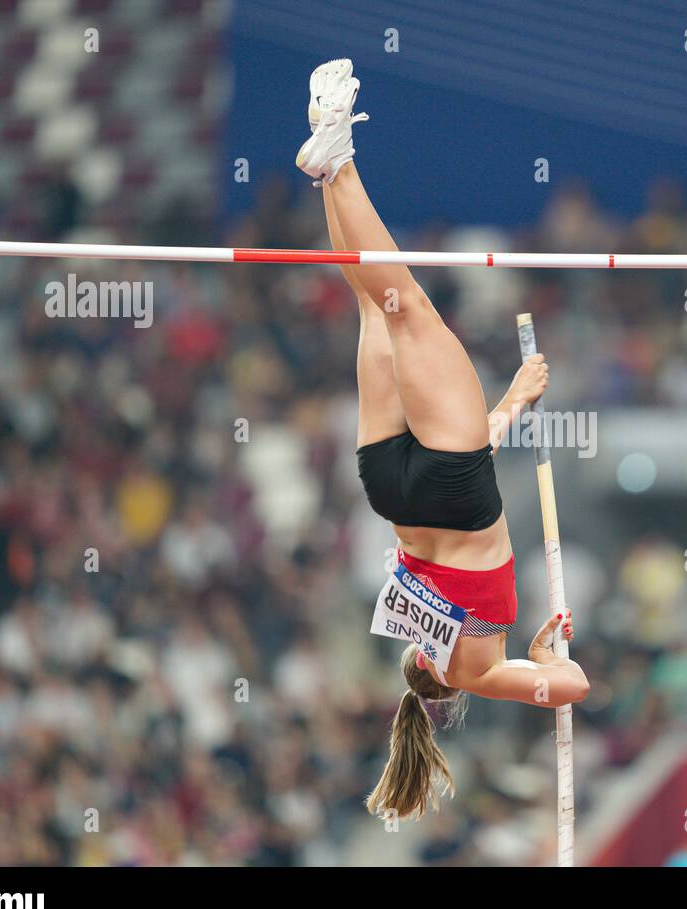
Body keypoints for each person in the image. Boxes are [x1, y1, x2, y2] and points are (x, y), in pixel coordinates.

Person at [296, 59, 589, 820]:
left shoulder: (486, 673)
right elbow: (459, 460)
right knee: (373, 309)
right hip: (394, 491)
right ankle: (328, 176)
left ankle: (340, 161)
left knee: (404, 308)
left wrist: (549, 656)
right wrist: (514, 403)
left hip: (456, 494)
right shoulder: (417, 633)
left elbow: (573, 688)